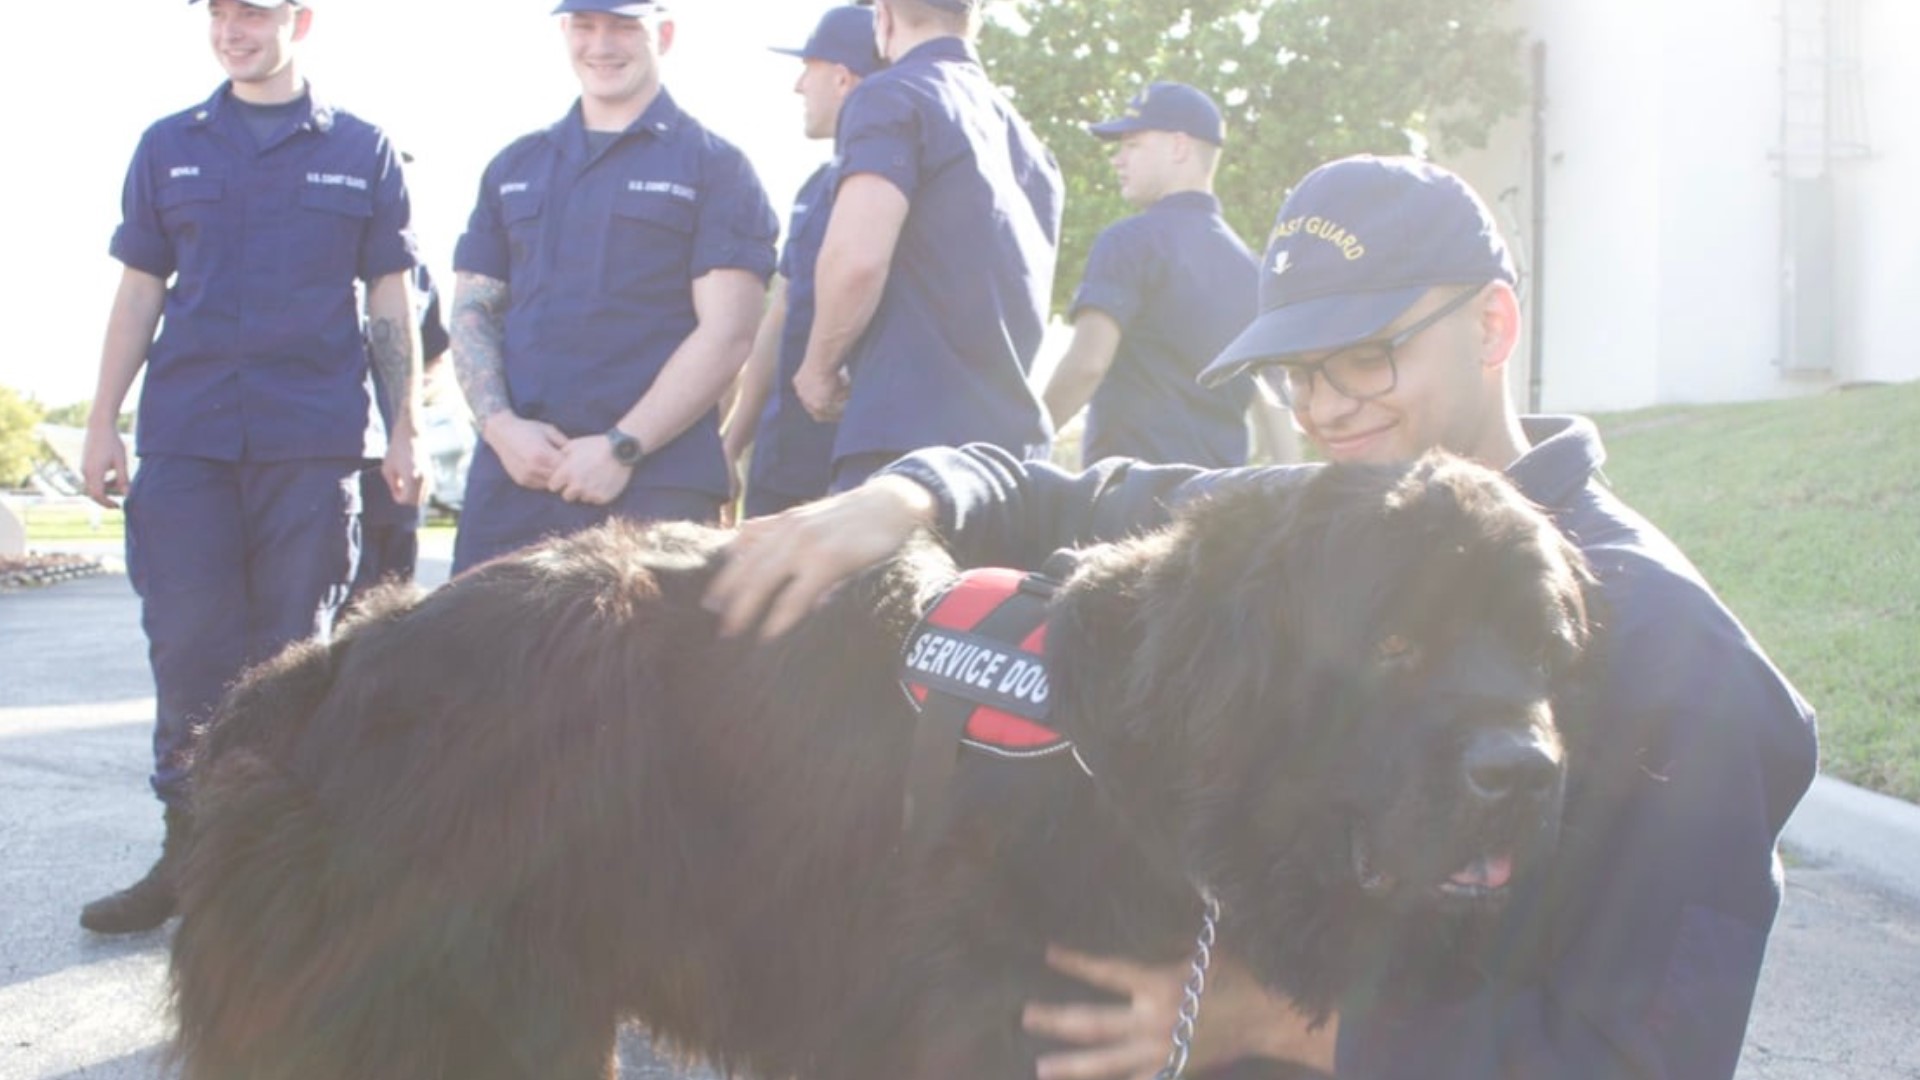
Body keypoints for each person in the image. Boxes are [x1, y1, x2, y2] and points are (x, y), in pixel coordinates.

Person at [704, 155, 1820, 1079]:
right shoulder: (1311, 523)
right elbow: (1064, 492)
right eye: (1300, 375)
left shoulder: (1687, 662)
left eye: (1368, 357)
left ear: (1492, 325)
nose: (1333, 408)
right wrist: (904, 495)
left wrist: (1278, 1026)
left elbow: (1646, 1062)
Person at [79, 0, 424, 935]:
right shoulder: (167, 146)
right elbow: (140, 288)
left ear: (299, 19)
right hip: (187, 438)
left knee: (291, 655)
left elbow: (389, 295)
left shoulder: (361, 148)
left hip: (309, 443)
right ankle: (187, 859)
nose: (234, 28)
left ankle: (279, 871)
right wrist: (103, 420)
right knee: (187, 648)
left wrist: (407, 428)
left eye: (255, 12)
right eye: (221, 12)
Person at [448, 0, 778, 573]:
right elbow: (473, 311)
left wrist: (623, 447)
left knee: (649, 665)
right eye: (584, 25)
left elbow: (729, 333)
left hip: (654, 491)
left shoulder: (715, 168)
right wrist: (500, 429)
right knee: (483, 664)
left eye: (625, 26)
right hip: (515, 484)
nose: (602, 44)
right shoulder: (514, 166)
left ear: (664, 34)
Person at [792, 0, 1064, 492]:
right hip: (1010, 466)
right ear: (972, 18)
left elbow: (856, 258)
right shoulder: (1030, 144)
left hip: (908, 455)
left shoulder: (891, 95)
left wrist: (818, 369)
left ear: (886, 16)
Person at [1046, 81, 1295, 468]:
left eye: (1132, 145)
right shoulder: (1255, 270)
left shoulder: (1129, 242)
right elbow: (1277, 405)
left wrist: (1022, 442)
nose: (1118, 159)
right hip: (1217, 509)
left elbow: (1087, 365)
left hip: (1131, 507)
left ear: (1179, 146)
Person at [722, 5, 883, 517]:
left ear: (841, 78)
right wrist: (731, 445)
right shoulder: (815, 188)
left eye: (807, 69)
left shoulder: (898, 186)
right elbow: (782, 312)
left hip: (855, 469)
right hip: (780, 460)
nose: (797, 87)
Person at [348, 263, 450, 606]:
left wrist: (409, 400)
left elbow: (436, 356)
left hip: (393, 473)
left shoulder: (418, 275)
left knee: (385, 609)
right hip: (333, 461)